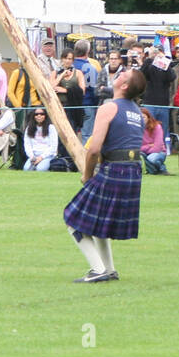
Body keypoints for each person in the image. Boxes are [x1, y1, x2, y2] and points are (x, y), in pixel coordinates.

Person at [63, 68, 146, 282]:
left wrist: (87, 176)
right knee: (99, 224)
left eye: (122, 76)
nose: (117, 76)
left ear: (124, 86)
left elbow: (94, 149)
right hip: (133, 171)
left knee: (73, 218)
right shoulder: (137, 112)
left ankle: (98, 270)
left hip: (114, 169)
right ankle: (109, 269)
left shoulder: (109, 107)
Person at [54, 48, 85, 134]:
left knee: (72, 131)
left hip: (73, 106)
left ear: (73, 60)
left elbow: (82, 91)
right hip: (59, 106)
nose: (67, 61)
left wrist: (65, 90)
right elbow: (51, 88)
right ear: (62, 59)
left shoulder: (78, 73)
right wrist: (62, 75)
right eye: (65, 58)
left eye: (70, 59)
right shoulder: (55, 73)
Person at [22, 107, 59, 171]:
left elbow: (53, 147)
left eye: (42, 114)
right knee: (26, 169)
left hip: (47, 155)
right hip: (34, 155)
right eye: (36, 114)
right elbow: (27, 145)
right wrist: (31, 157)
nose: (39, 116)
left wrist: (41, 157)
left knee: (40, 169)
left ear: (45, 116)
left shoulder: (51, 128)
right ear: (33, 116)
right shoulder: (29, 128)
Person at [140, 110, 168, 175]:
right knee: (138, 155)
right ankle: (157, 170)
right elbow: (136, 147)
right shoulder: (136, 128)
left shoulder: (157, 127)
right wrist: (149, 146)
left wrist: (144, 149)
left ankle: (161, 169)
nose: (141, 119)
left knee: (151, 158)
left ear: (148, 118)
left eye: (143, 117)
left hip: (159, 152)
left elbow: (157, 147)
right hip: (143, 152)